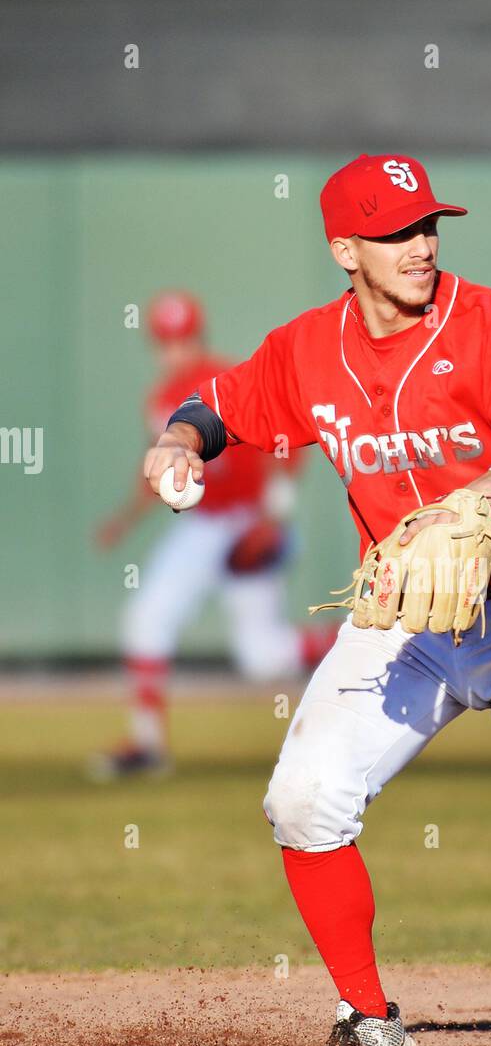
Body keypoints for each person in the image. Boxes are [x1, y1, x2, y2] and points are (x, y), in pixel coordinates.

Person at [142, 156, 491, 1046]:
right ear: (345, 250)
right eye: (394, 233)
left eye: (428, 225)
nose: (421, 245)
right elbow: (221, 408)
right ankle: (368, 1021)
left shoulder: (484, 324)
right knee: (303, 803)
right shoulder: (310, 349)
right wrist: (179, 444)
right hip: (404, 618)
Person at [93, 290, 333, 779]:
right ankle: (146, 744)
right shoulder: (160, 400)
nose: (174, 349)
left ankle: (356, 640)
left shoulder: (224, 381)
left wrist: (273, 520)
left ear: (198, 336)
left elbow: (287, 448)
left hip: (248, 519)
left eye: (182, 338)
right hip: (201, 525)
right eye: (165, 340)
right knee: (145, 617)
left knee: (262, 658)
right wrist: (125, 518)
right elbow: (155, 470)